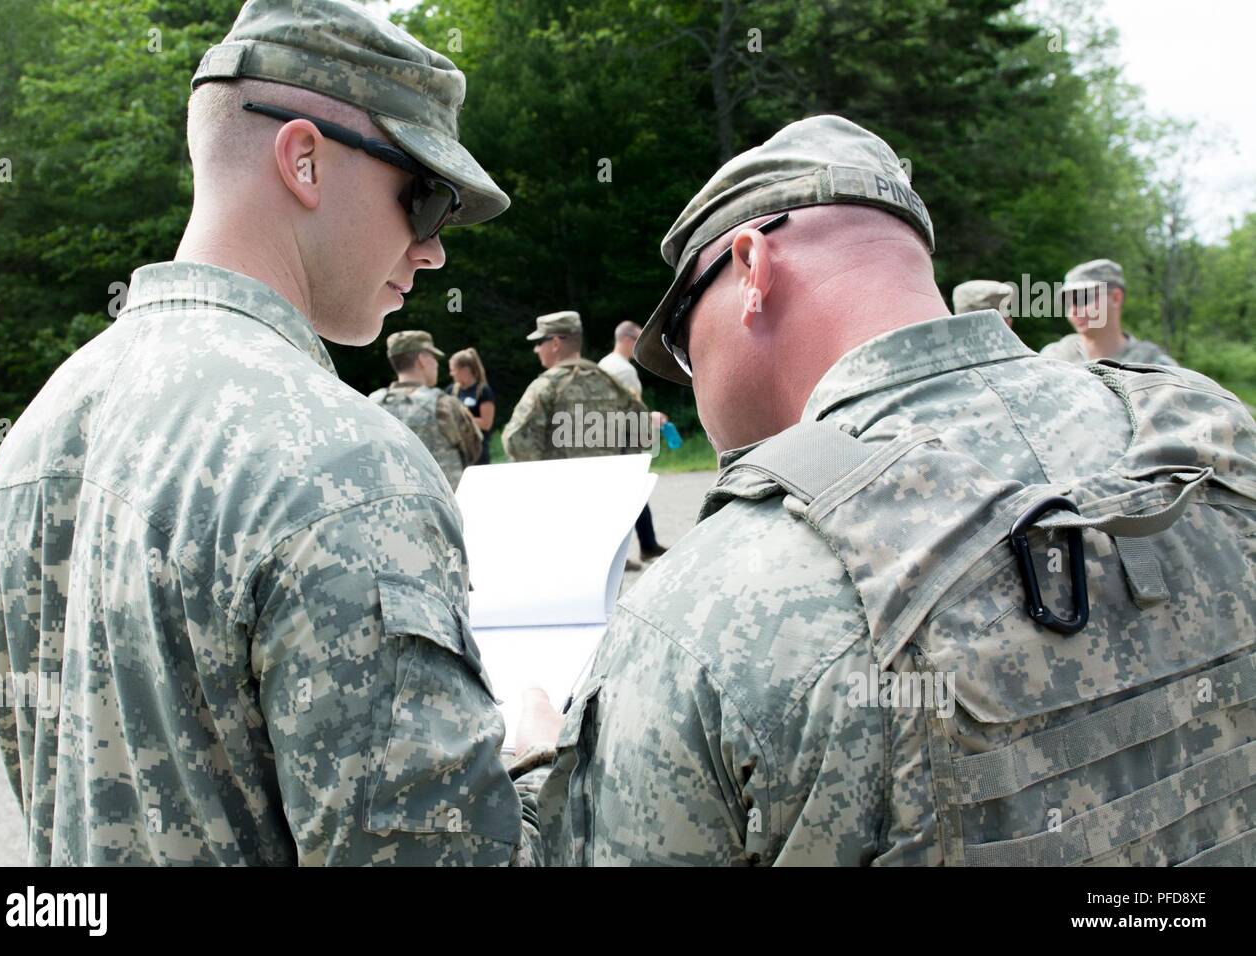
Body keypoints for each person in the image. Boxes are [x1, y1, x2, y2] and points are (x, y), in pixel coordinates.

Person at [538, 114, 1256, 866]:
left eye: (682, 343)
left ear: (751, 264)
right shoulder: (1208, 435)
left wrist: (537, 763)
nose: (693, 374)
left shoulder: (704, 604)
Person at [0, 0, 556, 866]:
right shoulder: (344, 463)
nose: (432, 251)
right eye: (424, 199)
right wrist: (539, 767)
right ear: (305, 158)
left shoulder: (35, 439)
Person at [501, 311, 647, 463]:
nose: (536, 349)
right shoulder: (612, 383)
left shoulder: (547, 386)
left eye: (539, 342)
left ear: (555, 343)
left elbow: (517, 442)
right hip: (605, 484)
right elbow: (641, 431)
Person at [369, 330, 481, 490]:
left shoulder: (372, 404)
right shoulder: (444, 404)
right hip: (443, 506)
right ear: (422, 360)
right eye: (433, 357)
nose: (436, 363)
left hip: (394, 506)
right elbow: (473, 448)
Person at [599, 321, 668, 562]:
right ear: (628, 339)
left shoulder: (603, 365)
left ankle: (642, 546)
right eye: (638, 340)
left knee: (619, 496)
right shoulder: (624, 371)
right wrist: (652, 419)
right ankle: (640, 549)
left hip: (605, 440)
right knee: (632, 495)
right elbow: (631, 412)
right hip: (624, 441)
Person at [1040, 259, 1177, 365]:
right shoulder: (1053, 359)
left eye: (1083, 299)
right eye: (1069, 303)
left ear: (1116, 298)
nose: (1074, 311)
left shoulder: (1153, 365)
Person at [447, 347, 497, 465]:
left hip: (478, 451)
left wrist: (463, 416)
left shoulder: (483, 391)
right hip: (457, 451)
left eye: (453, 370)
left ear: (465, 370)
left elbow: (486, 424)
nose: (451, 374)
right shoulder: (450, 391)